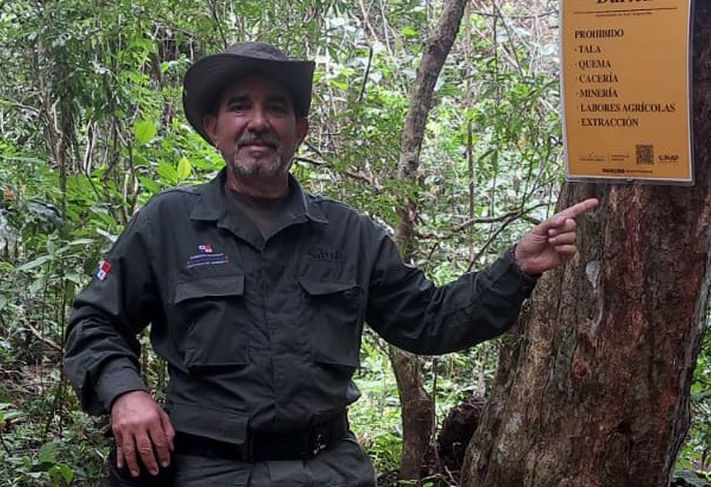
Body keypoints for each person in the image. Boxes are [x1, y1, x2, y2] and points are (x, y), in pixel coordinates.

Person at [64, 42, 599, 487]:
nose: (258, 122)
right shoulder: (168, 224)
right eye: (239, 107)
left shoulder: (350, 235)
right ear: (212, 127)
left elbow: (430, 320)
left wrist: (518, 266)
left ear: (298, 129)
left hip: (326, 468)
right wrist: (125, 393)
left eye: (276, 107)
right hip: (205, 469)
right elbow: (94, 321)